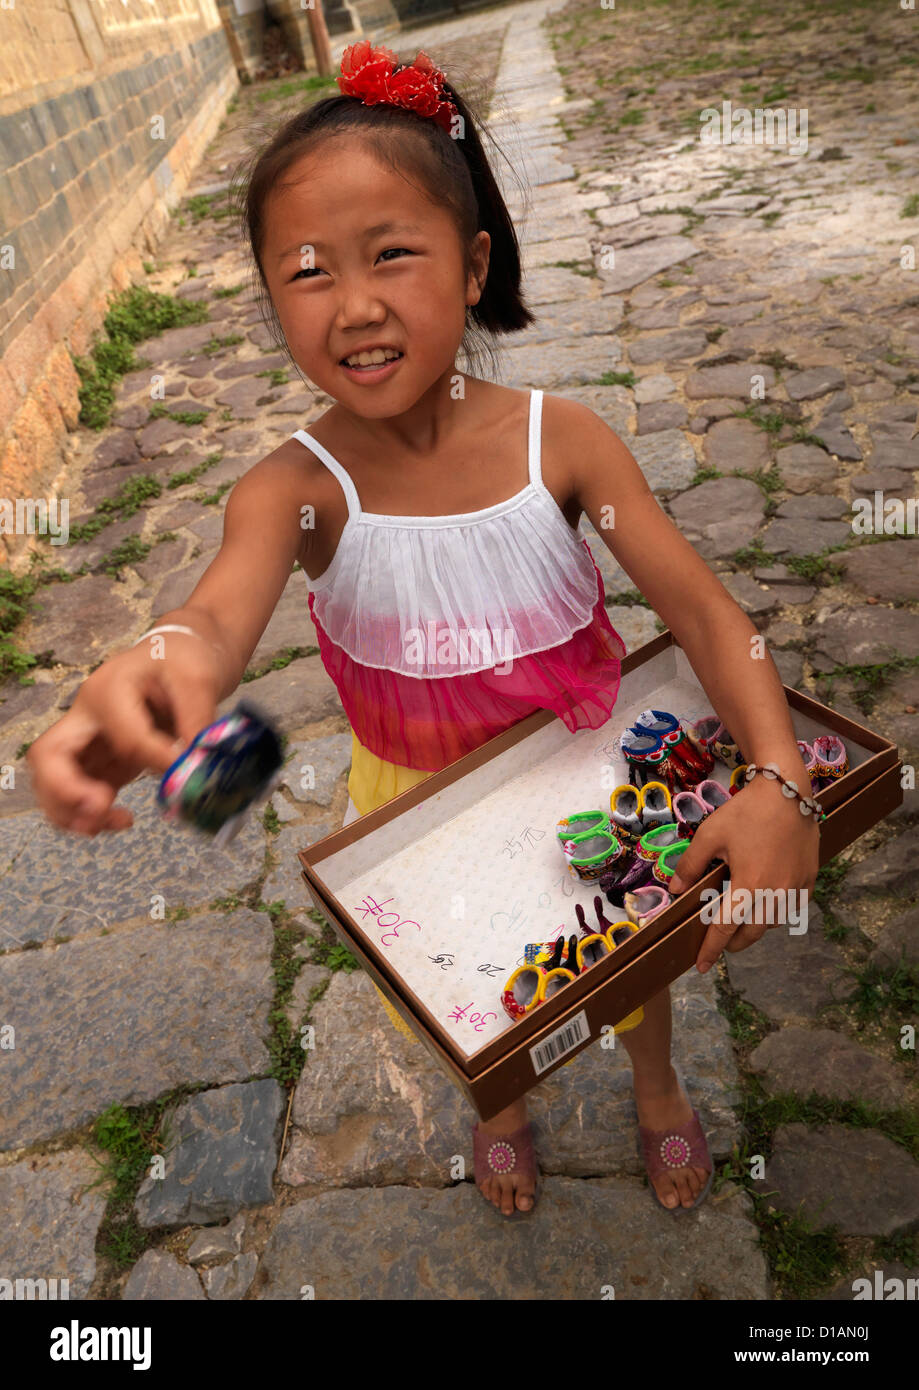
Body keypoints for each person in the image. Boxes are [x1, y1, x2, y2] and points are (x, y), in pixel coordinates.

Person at [27, 41, 819, 1220]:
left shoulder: (568, 443)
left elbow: (702, 609)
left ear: (472, 261)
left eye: (391, 253)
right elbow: (207, 618)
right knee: (468, 998)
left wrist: (784, 778)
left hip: (584, 775)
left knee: (630, 956)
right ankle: (499, 1105)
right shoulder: (292, 490)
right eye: (304, 272)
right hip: (408, 808)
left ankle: (656, 1087)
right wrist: (147, 669)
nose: (353, 305)